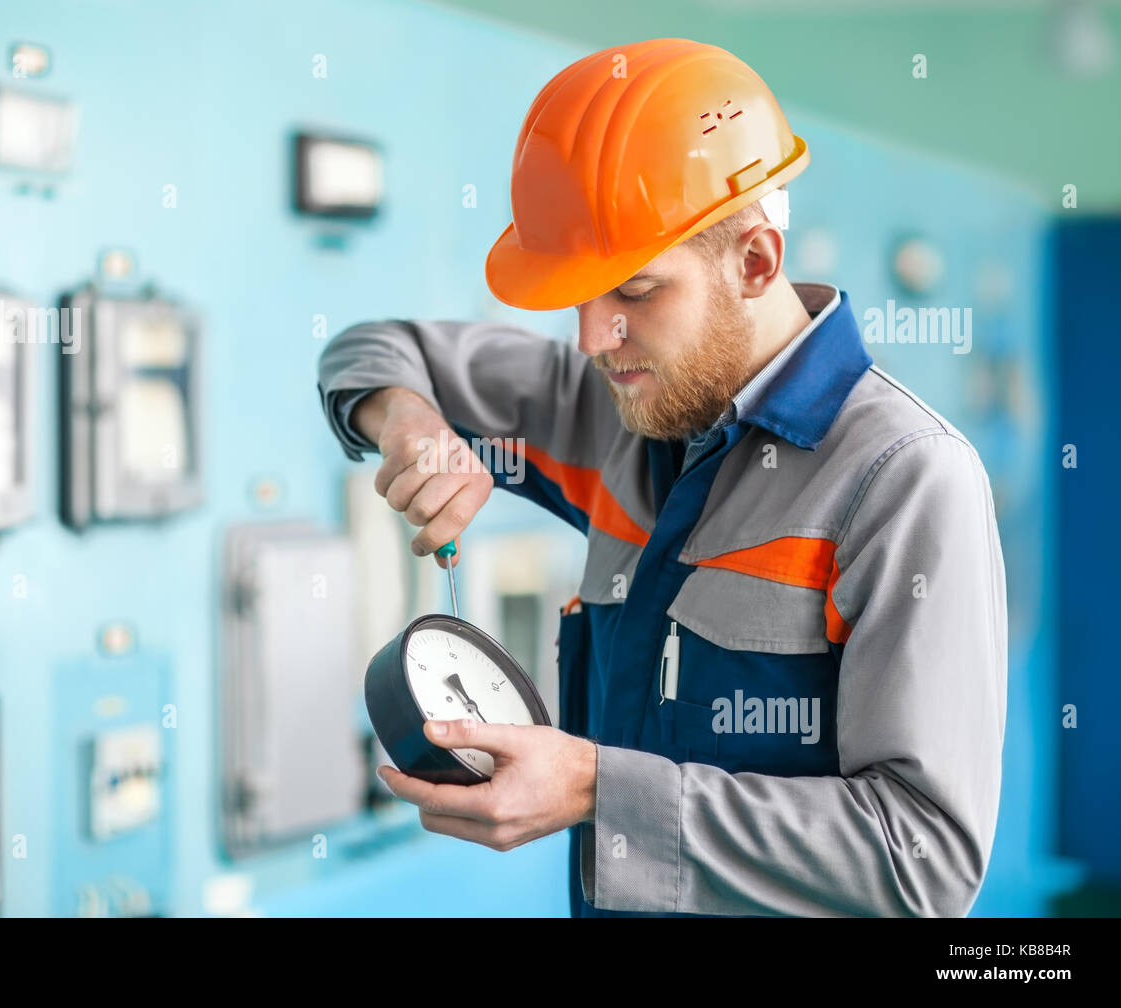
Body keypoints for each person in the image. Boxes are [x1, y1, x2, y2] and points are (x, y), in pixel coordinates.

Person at [316, 38, 1007, 917]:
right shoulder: (613, 402)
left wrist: (602, 792)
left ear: (755, 262)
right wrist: (409, 423)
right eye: (580, 296)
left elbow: (926, 861)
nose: (591, 339)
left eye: (635, 292)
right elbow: (374, 348)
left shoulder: (903, 479)